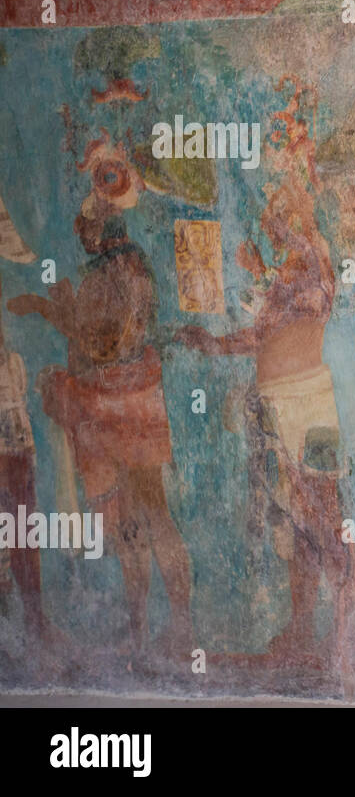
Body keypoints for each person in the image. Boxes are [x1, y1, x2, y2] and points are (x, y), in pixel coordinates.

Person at [177, 106, 355, 676]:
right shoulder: (291, 265)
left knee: (324, 519)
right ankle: (304, 627)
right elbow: (264, 332)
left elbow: (262, 331)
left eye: (278, 209)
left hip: (307, 408)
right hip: (279, 407)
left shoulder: (310, 259)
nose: (270, 219)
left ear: (299, 209)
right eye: (271, 211)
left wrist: (207, 340)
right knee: (292, 523)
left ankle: (345, 638)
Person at [9, 134, 192, 657]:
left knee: (152, 516)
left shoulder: (127, 269)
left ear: (103, 226)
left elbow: (109, 343)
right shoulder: (111, 269)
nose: (82, 236)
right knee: (132, 524)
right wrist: (64, 313)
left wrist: (53, 314)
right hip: (115, 403)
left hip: (129, 403)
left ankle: (179, 627)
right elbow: (96, 338)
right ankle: (139, 632)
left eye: (86, 227)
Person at [0, 274, 46, 644]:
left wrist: (25, 451)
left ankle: (35, 622)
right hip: (7, 461)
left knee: (24, 537)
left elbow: (20, 414)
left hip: (17, 459)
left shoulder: (13, 362)